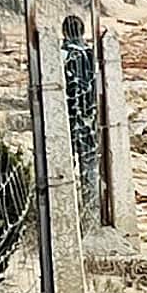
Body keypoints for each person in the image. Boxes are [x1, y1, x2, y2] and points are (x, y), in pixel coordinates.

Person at [60, 15, 98, 213]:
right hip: (89, 118)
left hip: (67, 117)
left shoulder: (63, 55)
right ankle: (91, 208)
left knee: (65, 164)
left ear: (64, 32)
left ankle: (68, 208)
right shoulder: (92, 54)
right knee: (89, 164)